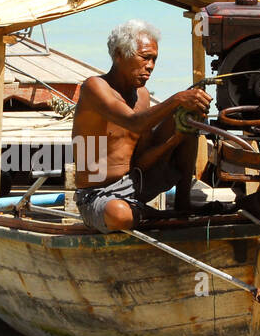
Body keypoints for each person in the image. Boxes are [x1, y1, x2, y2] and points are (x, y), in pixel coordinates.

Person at [71, 19, 211, 233]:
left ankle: (184, 205)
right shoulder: (94, 87)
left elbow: (141, 160)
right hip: (97, 194)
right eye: (145, 58)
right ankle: (156, 215)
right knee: (120, 215)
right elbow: (133, 123)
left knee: (187, 116)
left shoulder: (142, 96)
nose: (151, 66)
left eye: (154, 59)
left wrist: (177, 139)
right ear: (119, 55)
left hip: (137, 184)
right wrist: (177, 99)